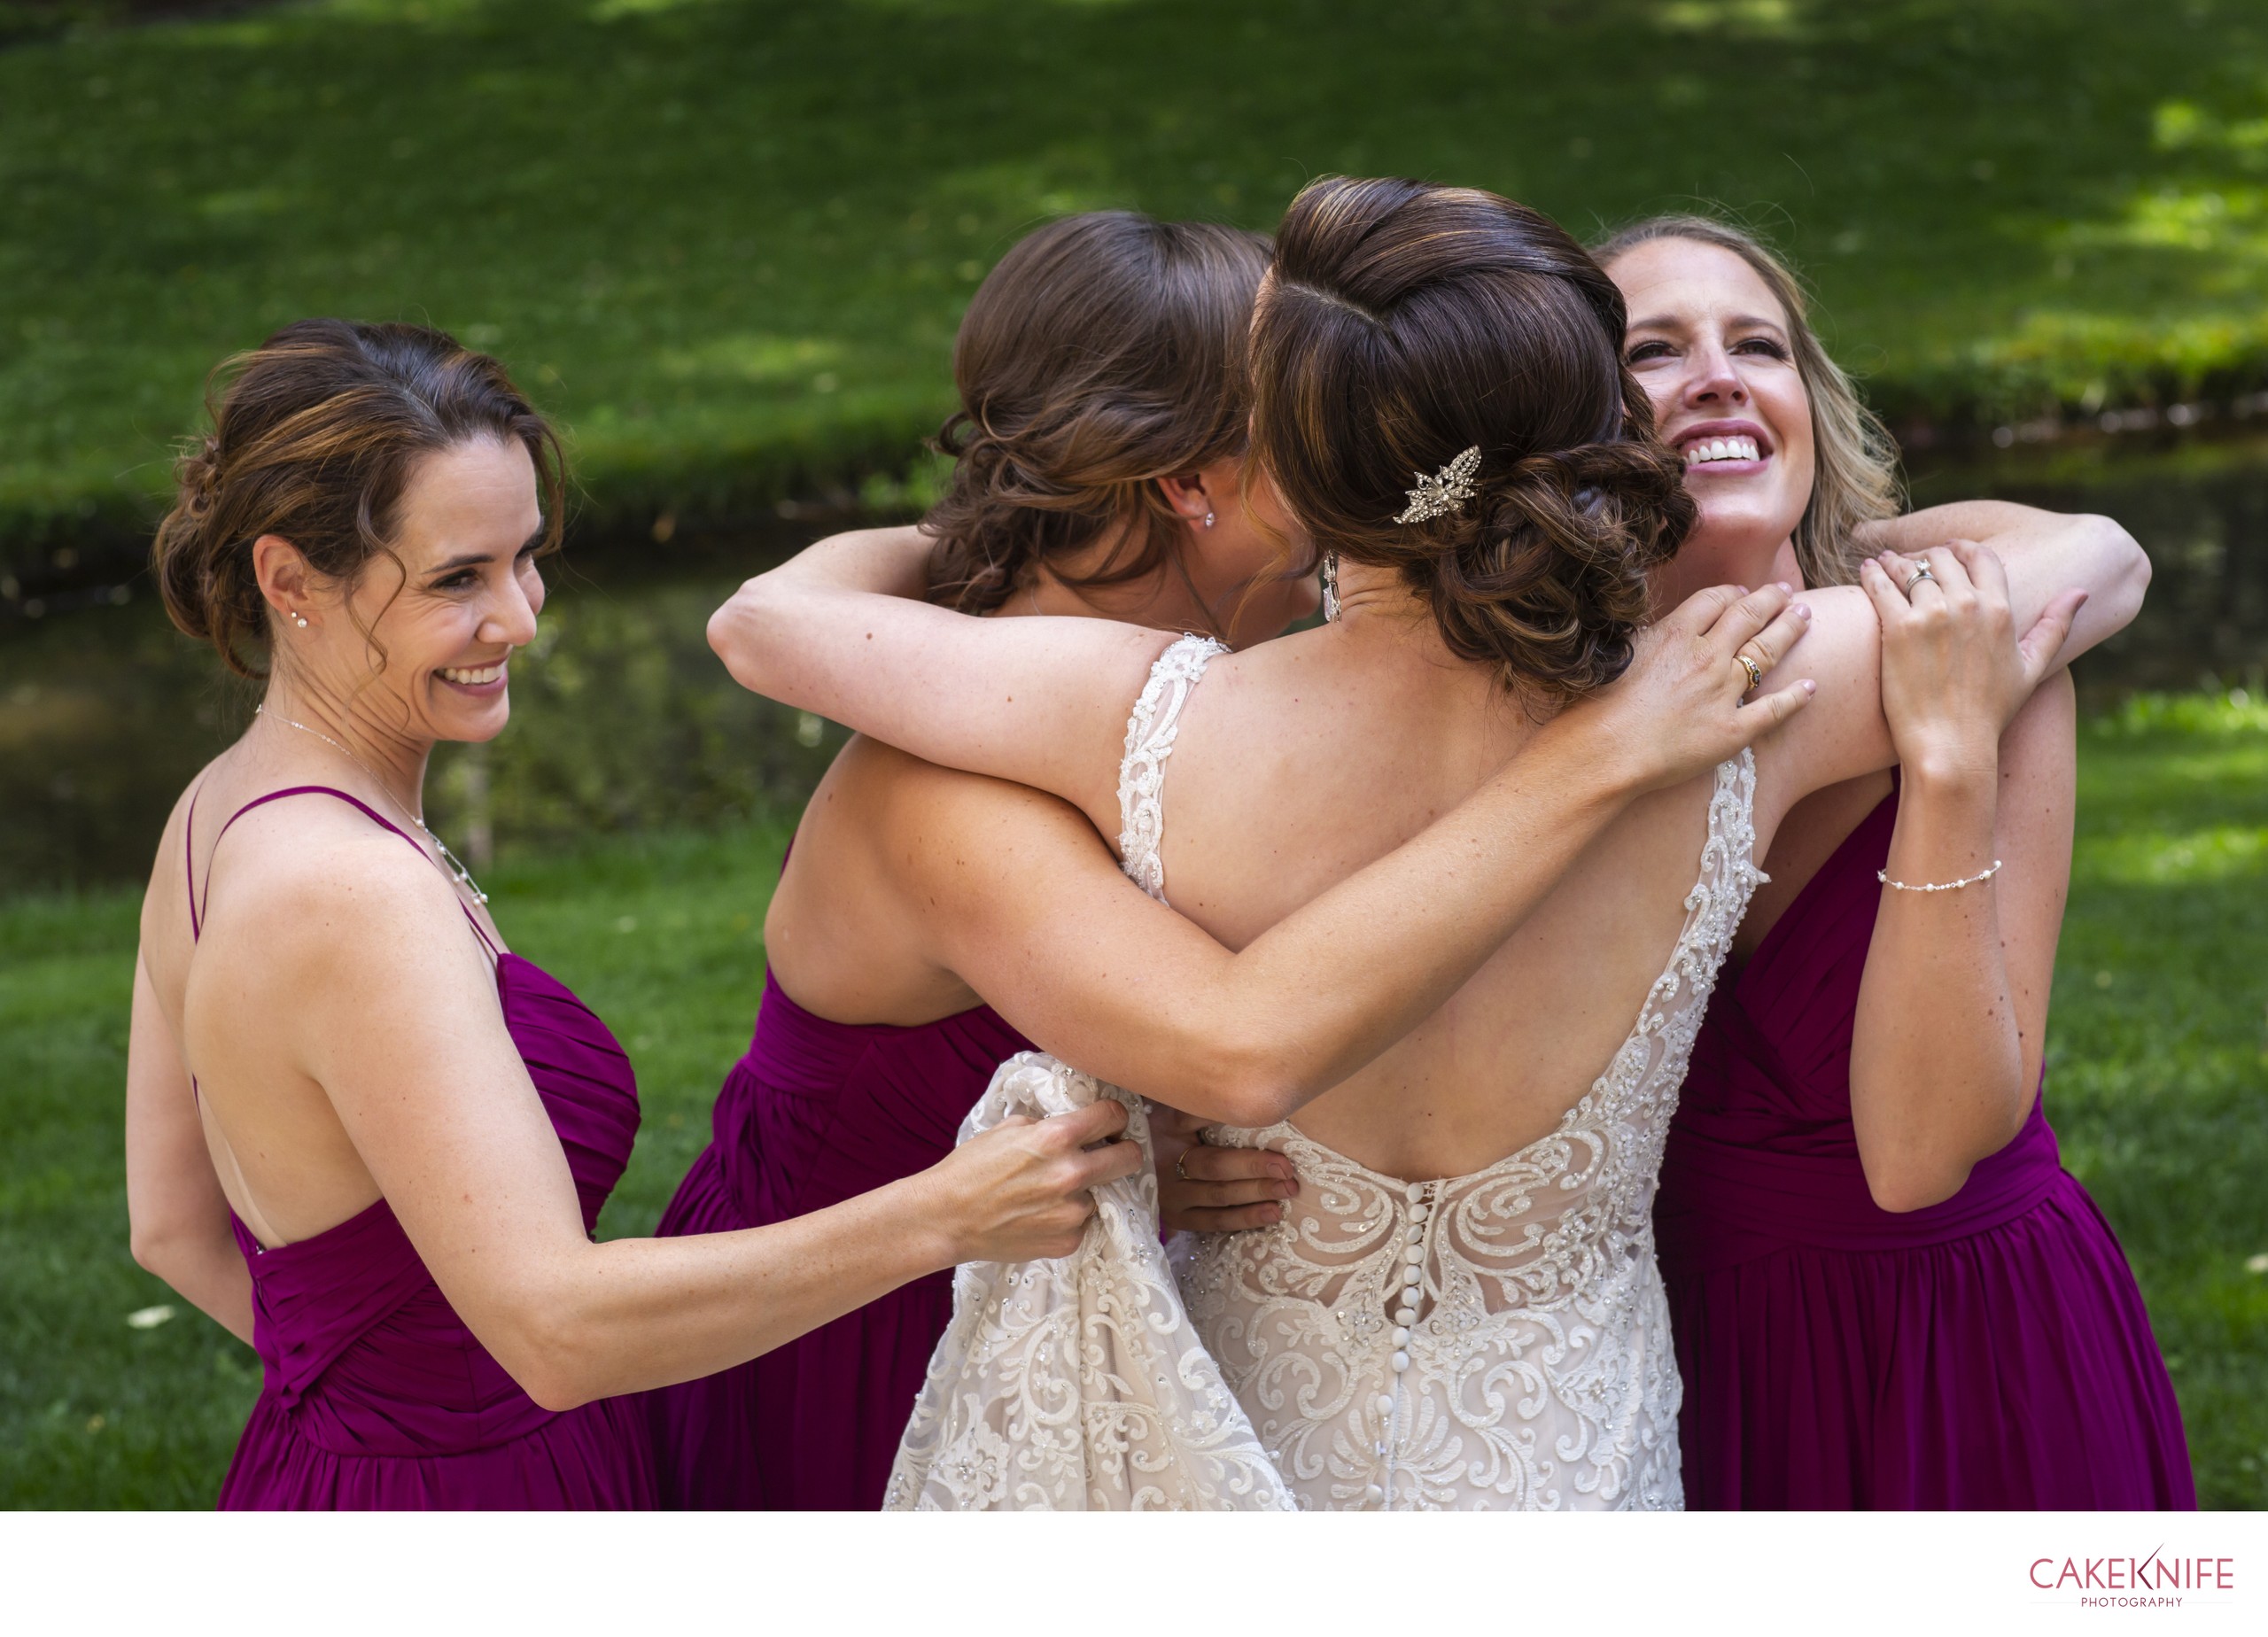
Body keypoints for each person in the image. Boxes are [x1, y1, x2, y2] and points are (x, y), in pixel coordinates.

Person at [706, 177, 2148, 1509]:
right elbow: (2092, 566)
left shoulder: (1136, 714)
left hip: (1250, 1442)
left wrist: (1024, 497)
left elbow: (770, 630)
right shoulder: (1752, 693)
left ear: (1297, 458)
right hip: (1568, 1454)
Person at [121, 320, 1142, 1509]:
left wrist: (391, 1404)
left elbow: (172, 1229)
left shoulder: (216, 814)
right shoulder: (356, 894)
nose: (521, 619)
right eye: (458, 579)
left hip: (340, 1469)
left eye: (526, 557)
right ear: (289, 582)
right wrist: (949, 1213)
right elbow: (557, 1329)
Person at [1596, 215, 2193, 1509]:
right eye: (1653, 351)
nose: (1718, 374)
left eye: (1759, 345)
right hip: (1674, 1363)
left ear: (1808, 407)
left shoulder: (1962, 628)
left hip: (1977, 1343)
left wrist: (1948, 766)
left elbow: (1922, 1155)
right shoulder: (1543, 707)